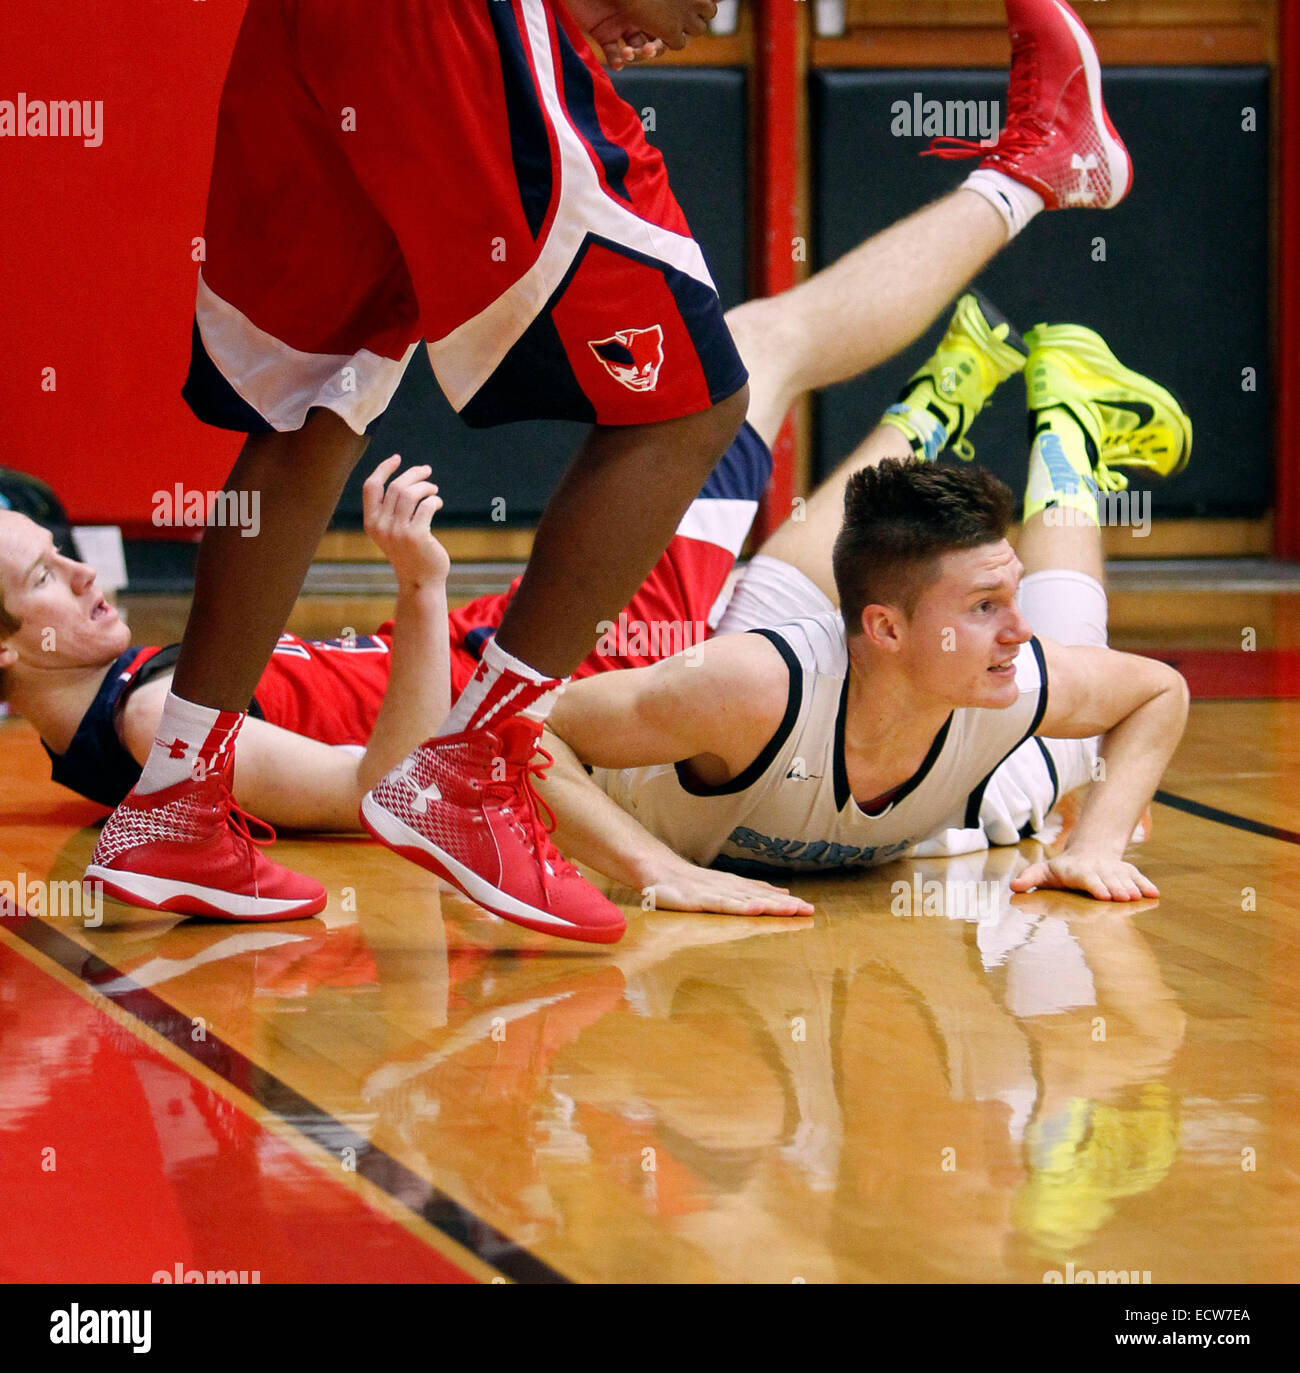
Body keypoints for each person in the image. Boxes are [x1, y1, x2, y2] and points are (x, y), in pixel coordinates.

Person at [77, 0, 1134, 941]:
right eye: (43, 580)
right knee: (708, 391)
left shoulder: (137, 691)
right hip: (611, 676)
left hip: (326, 33)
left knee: (318, 397)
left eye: (49, 559)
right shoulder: (120, 703)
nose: (82, 582)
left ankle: (178, 805)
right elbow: (371, 782)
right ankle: (472, 763)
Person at [543, 309, 1193, 904]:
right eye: (985, 607)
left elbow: (1159, 690)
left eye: (1010, 598)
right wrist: (656, 866)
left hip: (953, 779)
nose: (1019, 632)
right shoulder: (742, 687)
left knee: (908, 575)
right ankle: (934, 405)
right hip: (783, 704)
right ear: (883, 627)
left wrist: (1097, 844)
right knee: (835, 583)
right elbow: (525, 727)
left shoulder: (1015, 687)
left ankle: (1065, 426)